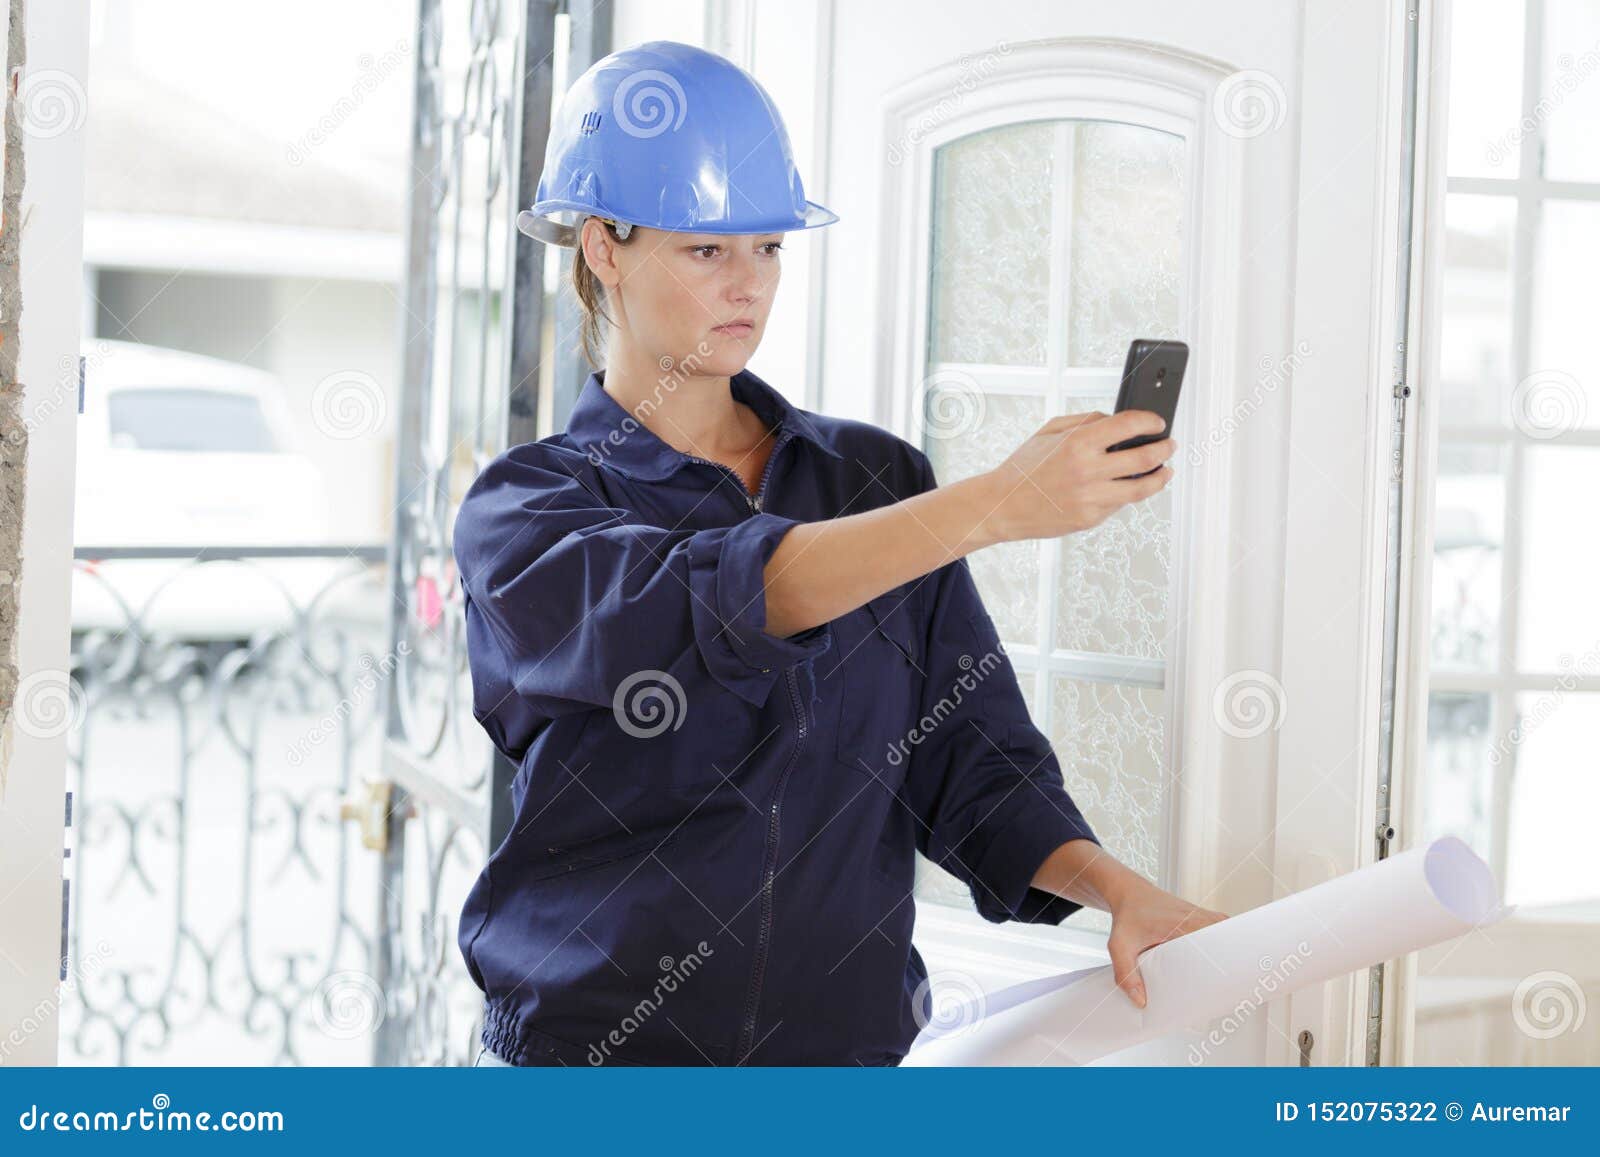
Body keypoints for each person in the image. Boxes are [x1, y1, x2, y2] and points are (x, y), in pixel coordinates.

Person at [453, 39, 1225, 1067]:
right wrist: (994, 503)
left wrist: (1119, 890)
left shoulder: (873, 480)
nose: (749, 285)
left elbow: (974, 763)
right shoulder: (530, 509)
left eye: (768, 248)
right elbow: (719, 601)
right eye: (705, 251)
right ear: (601, 247)